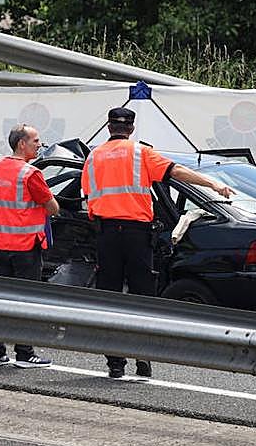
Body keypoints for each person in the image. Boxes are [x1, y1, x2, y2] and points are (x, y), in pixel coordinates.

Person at [81, 107, 233, 380]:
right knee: (142, 297)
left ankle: (114, 363)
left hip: (105, 234)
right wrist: (213, 184)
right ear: (131, 128)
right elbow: (178, 173)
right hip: (136, 235)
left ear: (108, 127)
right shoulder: (141, 153)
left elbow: (88, 193)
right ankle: (143, 358)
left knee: (109, 298)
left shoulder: (93, 157)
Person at [0, 124, 61, 368]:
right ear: (22, 144)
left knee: (1, 299)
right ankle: (25, 352)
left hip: (0, 244)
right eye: (36, 140)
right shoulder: (30, 174)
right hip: (26, 246)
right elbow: (53, 208)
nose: (39, 145)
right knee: (26, 300)